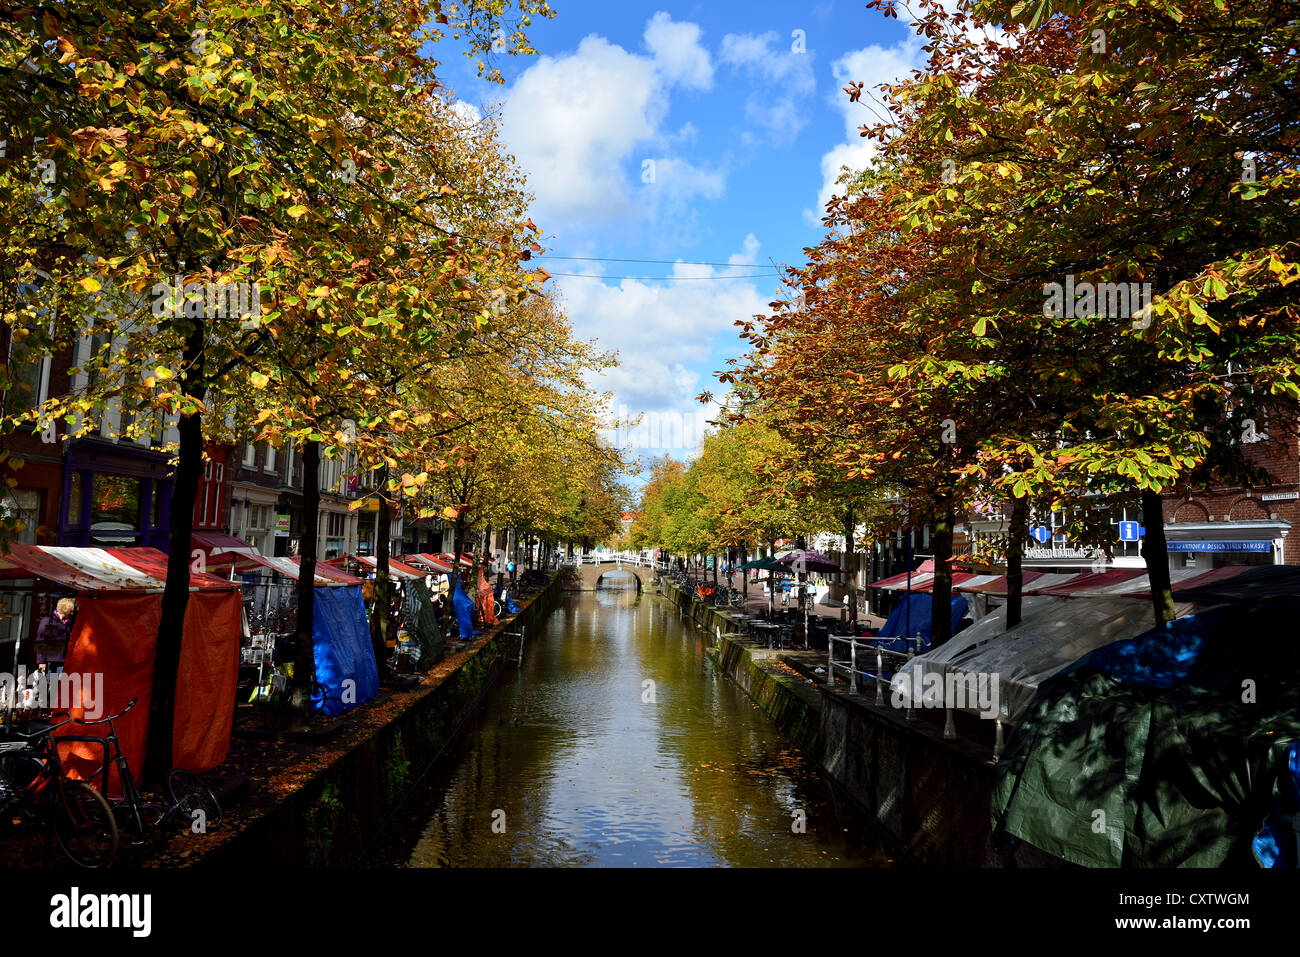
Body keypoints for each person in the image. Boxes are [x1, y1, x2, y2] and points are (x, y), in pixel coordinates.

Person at [35, 597, 75, 674]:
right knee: (53, 684)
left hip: (66, 659)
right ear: (65, 609)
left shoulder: (69, 623)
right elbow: (40, 641)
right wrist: (41, 661)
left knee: (64, 684)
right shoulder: (47, 621)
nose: (72, 613)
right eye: (71, 611)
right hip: (52, 660)